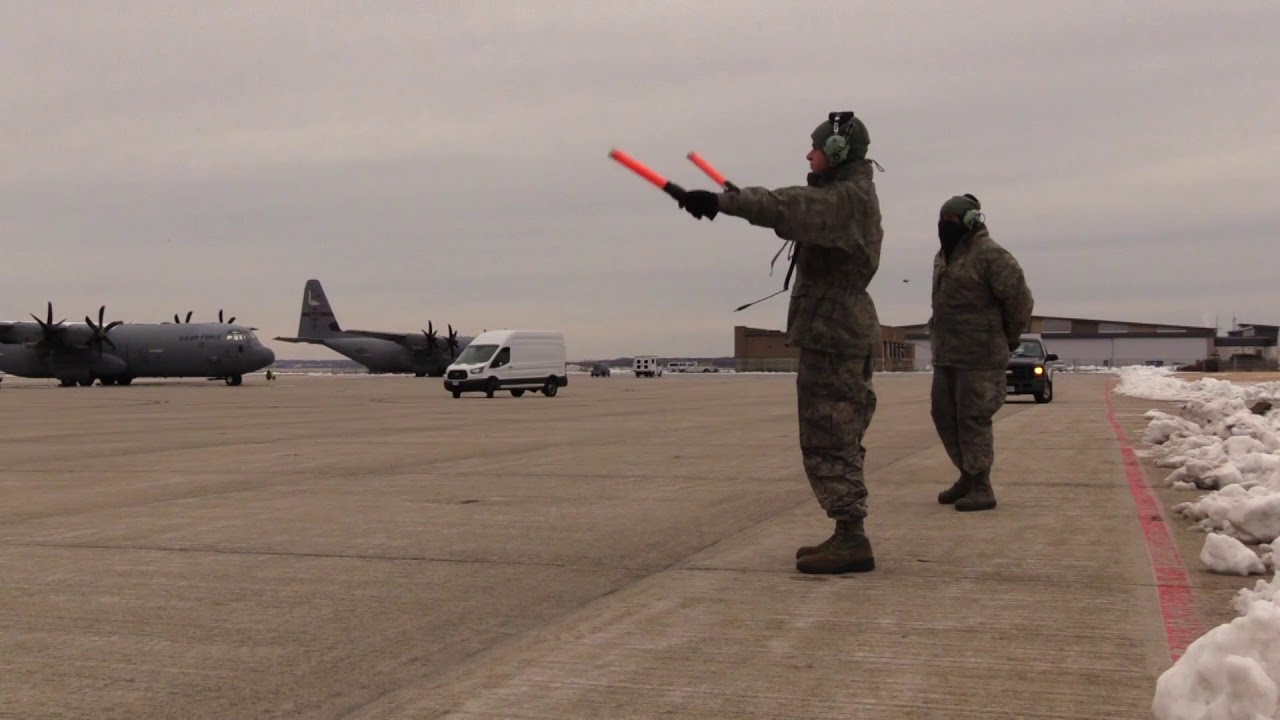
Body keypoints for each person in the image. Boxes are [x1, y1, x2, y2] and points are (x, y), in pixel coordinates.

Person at [677, 111, 883, 575]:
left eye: (814, 147)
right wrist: (733, 201)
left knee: (832, 435)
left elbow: (788, 207)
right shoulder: (843, 197)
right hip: (832, 331)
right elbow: (789, 210)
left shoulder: (845, 200)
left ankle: (852, 536)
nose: (807, 154)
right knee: (831, 433)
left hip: (836, 336)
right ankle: (846, 530)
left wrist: (722, 202)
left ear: (836, 153)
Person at [928, 194, 1034, 512]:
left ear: (971, 222)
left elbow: (1020, 300)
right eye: (941, 220)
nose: (944, 226)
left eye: (951, 221)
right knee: (944, 415)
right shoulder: (943, 256)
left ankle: (981, 484)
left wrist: (1009, 337)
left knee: (973, 418)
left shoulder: (992, 256)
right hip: (947, 353)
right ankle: (966, 474)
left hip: (981, 355)